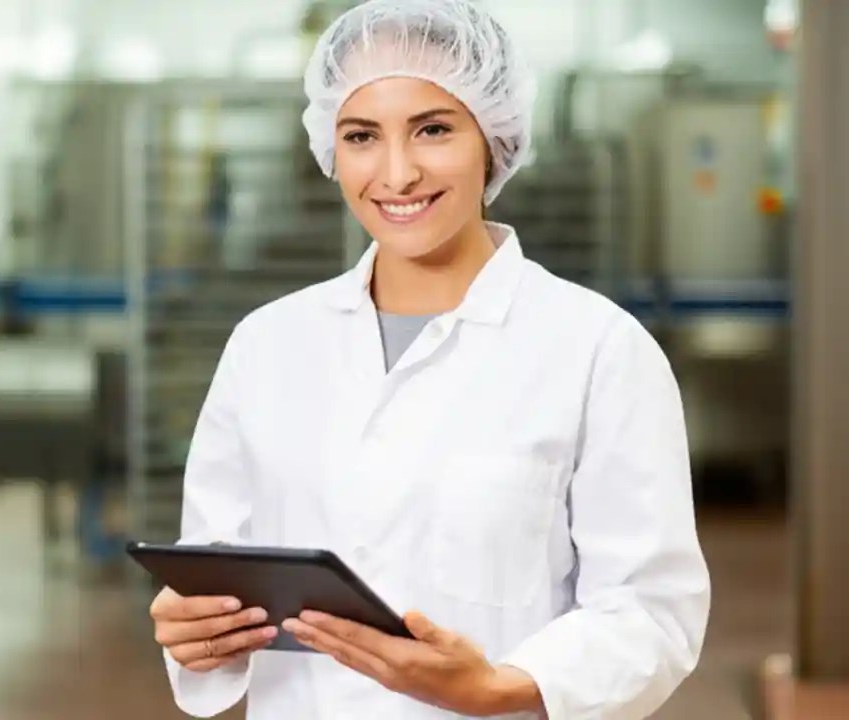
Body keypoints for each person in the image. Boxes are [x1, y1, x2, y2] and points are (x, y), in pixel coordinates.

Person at [147, 0, 712, 717]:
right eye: (361, 135)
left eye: (434, 129)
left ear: (494, 139)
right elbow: (216, 570)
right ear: (329, 148)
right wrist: (195, 633)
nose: (398, 173)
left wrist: (497, 687)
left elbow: (653, 611)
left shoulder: (597, 349)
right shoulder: (267, 344)